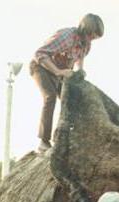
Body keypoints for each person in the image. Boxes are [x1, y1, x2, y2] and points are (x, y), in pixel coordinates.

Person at [31, 13, 104, 152]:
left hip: (60, 73)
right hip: (41, 67)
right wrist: (58, 72)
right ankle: (43, 142)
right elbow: (39, 54)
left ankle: (64, 137)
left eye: (95, 38)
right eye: (92, 36)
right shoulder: (67, 36)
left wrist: (80, 70)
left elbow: (79, 58)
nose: (92, 40)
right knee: (50, 97)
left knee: (71, 100)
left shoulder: (86, 44)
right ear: (85, 30)